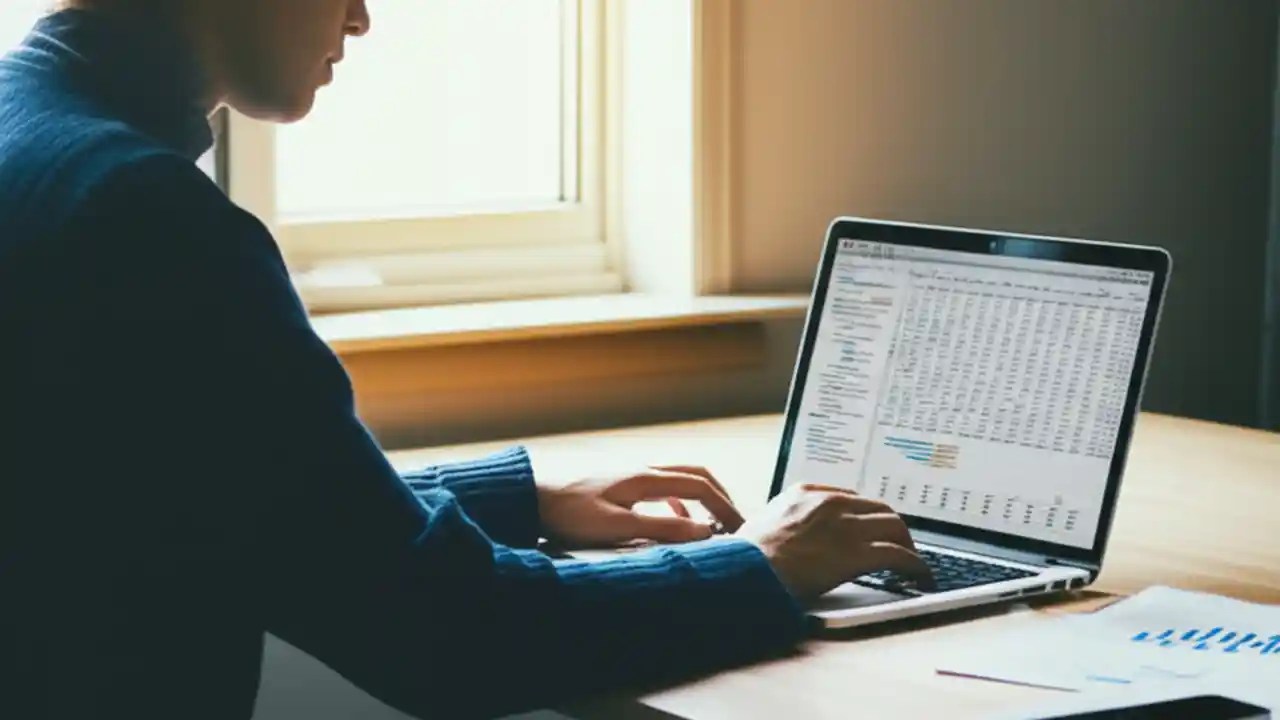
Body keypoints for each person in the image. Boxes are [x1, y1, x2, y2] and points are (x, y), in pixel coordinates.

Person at [0, 1, 933, 717]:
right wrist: (756, 568)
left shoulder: (29, 134)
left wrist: (517, 497)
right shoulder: (148, 222)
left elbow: (234, 487)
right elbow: (446, 634)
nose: (363, 16)